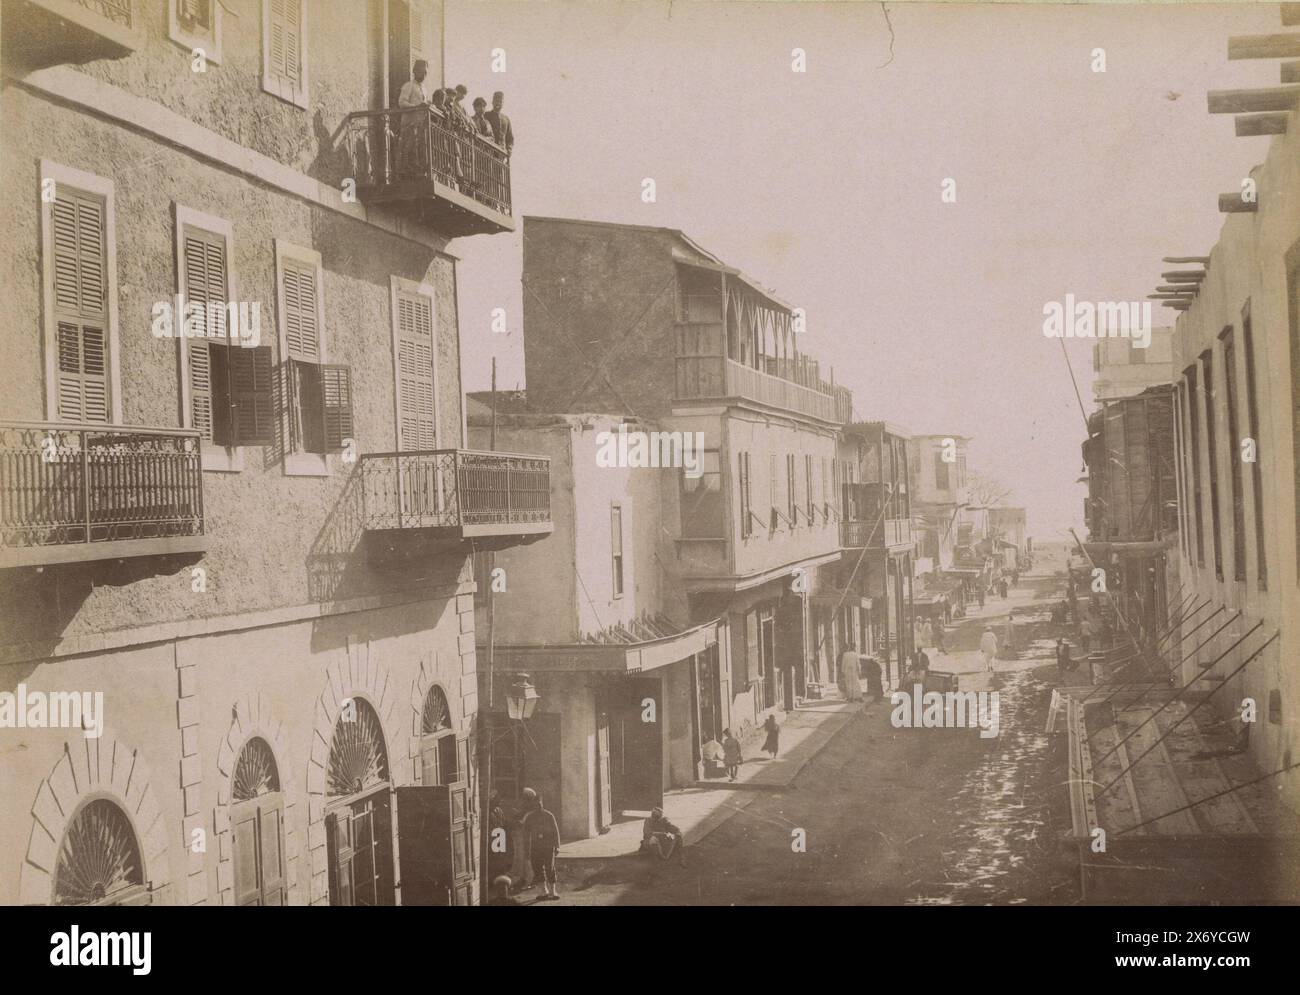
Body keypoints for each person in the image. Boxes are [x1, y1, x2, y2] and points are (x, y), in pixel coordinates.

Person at [523, 791, 561, 901]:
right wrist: (527, 850)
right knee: (537, 868)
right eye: (536, 804)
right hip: (535, 847)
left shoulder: (549, 815)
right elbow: (526, 835)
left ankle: (553, 891)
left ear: (542, 804)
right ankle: (543, 891)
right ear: (532, 805)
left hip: (548, 846)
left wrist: (557, 846)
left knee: (550, 868)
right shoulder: (529, 818)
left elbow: (555, 831)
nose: (538, 806)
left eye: (540, 804)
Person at [396, 60, 431, 176]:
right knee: (408, 149)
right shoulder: (408, 86)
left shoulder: (425, 89)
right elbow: (402, 102)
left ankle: (419, 172)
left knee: (419, 150)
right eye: (422, 72)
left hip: (421, 125)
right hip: (409, 124)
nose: (424, 75)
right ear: (415, 71)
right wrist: (416, 107)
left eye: (426, 72)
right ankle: (407, 173)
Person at [485, 90, 514, 155]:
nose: (498, 103)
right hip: (488, 150)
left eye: (500, 102)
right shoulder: (486, 115)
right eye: (496, 101)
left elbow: (510, 138)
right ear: (492, 102)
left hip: (501, 152)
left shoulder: (506, 119)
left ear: (503, 103)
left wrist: (509, 149)